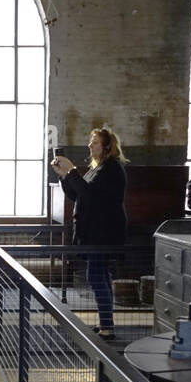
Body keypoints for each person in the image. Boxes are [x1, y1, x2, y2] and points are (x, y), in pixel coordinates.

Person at [51, 127, 128, 341]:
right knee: (100, 275)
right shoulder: (98, 168)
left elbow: (89, 194)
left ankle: (107, 327)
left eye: (94, 142)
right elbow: (77, 195)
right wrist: (64, 176)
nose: (89, 146)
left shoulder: (112, 169)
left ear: (106, 147)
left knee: (96, 276)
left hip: (102, 232)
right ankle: (106, 324)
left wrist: (72, 170)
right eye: (90, 142)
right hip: (96, 231)